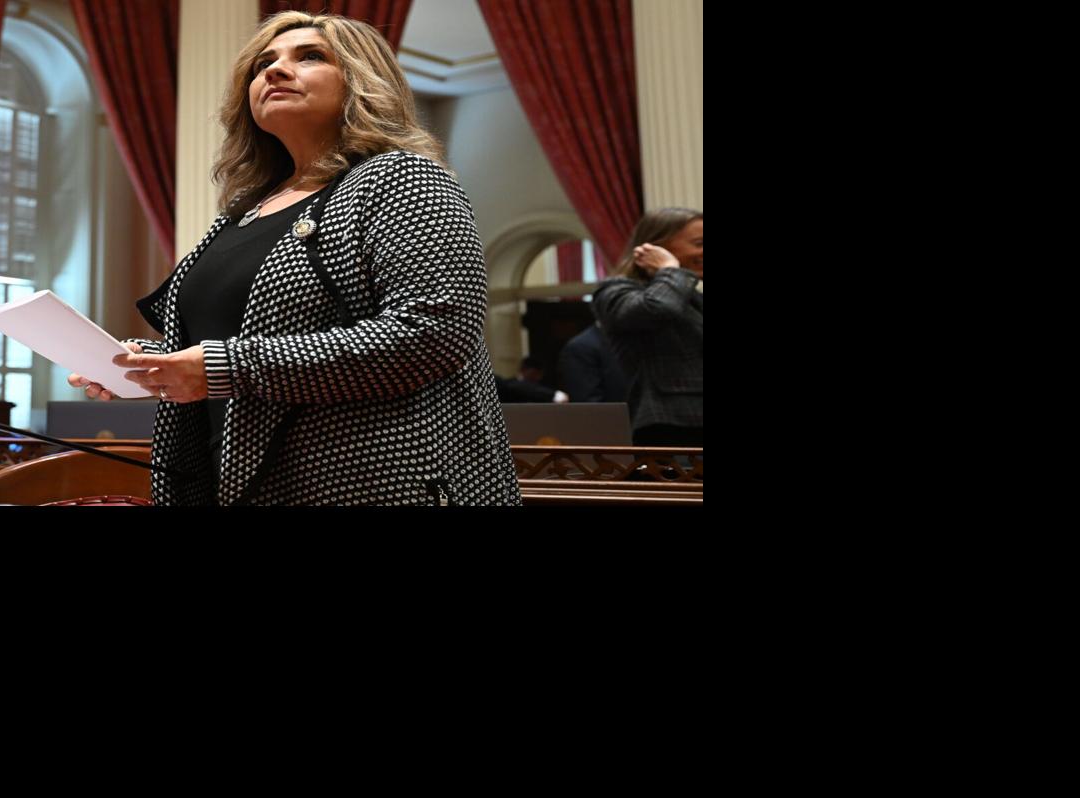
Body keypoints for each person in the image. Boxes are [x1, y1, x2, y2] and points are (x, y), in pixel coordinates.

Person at [69, 11, 520, 505]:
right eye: (264, 62)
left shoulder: (403, 177)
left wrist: (226, 367)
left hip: (376, 484)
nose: (275, 71)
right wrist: (143, 364)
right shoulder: (243, 211)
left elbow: (436, 327)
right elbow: (233, 339)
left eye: (309, 57)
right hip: (235, 483)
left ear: (361, 82)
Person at [590, 208, 703, 448]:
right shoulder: (615, 290)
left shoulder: (691, 297)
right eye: (699, 243)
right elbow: (659, 308)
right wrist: (670, 270)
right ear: (656, 247)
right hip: (672, 431)